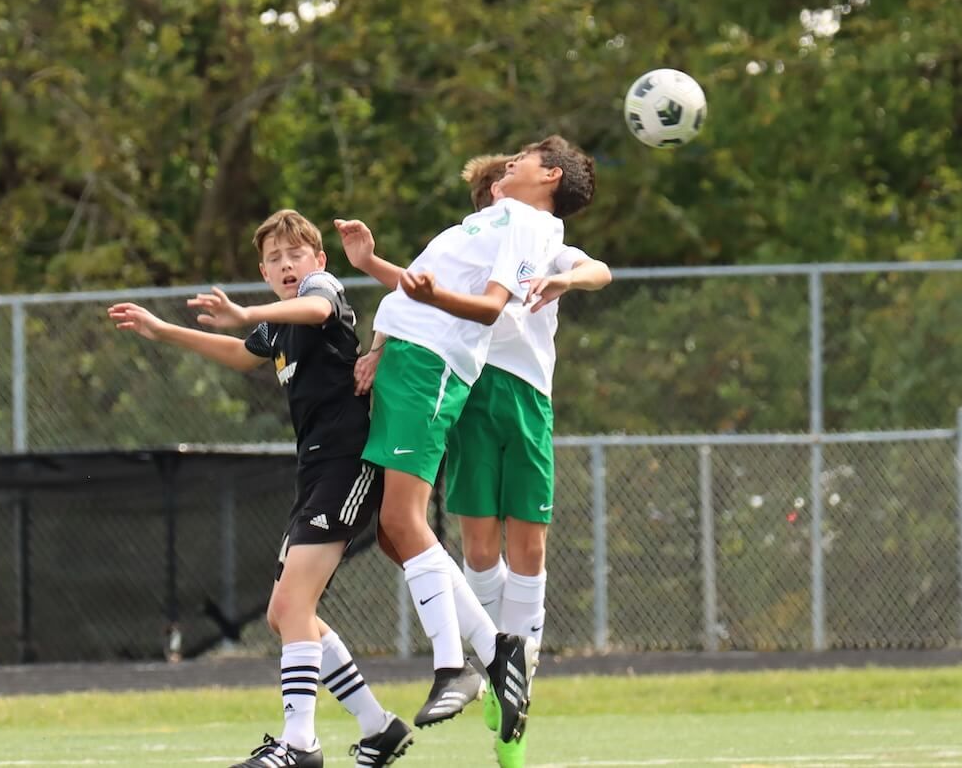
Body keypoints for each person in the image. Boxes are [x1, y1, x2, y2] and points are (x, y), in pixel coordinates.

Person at [108, 209, 412, 768]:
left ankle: (300, 744)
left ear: (319, 260)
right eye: (275, 259)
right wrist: (164, 330)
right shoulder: (276, 327)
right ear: (264, 273)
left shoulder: (322, 290)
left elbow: (317, 308)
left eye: (296, 254)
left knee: (294, 604)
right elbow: (240, 354)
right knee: (283, 613)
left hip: (347, 465)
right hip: (315, 471)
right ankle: (378, 726)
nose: (287, 264)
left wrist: (247, 311)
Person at [351, 146, 610, 768]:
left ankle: (514, 690)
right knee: (477, 547)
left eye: (516, 164)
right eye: (496, 177)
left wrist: (566, 280)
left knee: (528, 550)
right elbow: (422, 292)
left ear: (544, 177)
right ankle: (496, 665)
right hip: (469, 386)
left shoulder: (538, 235)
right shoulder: (480, 233)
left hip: (523, 394)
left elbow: (597, 269)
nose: (503, 176)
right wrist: (380, 336)